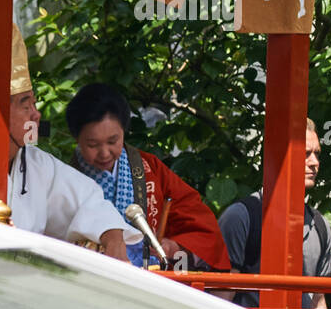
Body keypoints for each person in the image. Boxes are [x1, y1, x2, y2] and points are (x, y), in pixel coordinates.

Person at [5, 24, 137, 260]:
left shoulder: (37, 164)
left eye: (34, 104)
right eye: (25, 105)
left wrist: (113, 235)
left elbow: (87, 199)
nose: (36, 115)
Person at [65, 82, 230, 271]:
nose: (104, 153)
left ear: (124, 131)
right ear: (76, 137)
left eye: (113, 141)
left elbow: (198, 221)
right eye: (93, 144)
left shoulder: (150, 168)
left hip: (149, 278)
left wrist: (174, 245)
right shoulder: (63, 179)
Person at [219, 119, 331, 309]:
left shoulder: (321, 226)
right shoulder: (241, 217)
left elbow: (318, 301)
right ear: (281, 155)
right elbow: (223, 293)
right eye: (306, 153)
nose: (314, 162)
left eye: (317, 154)